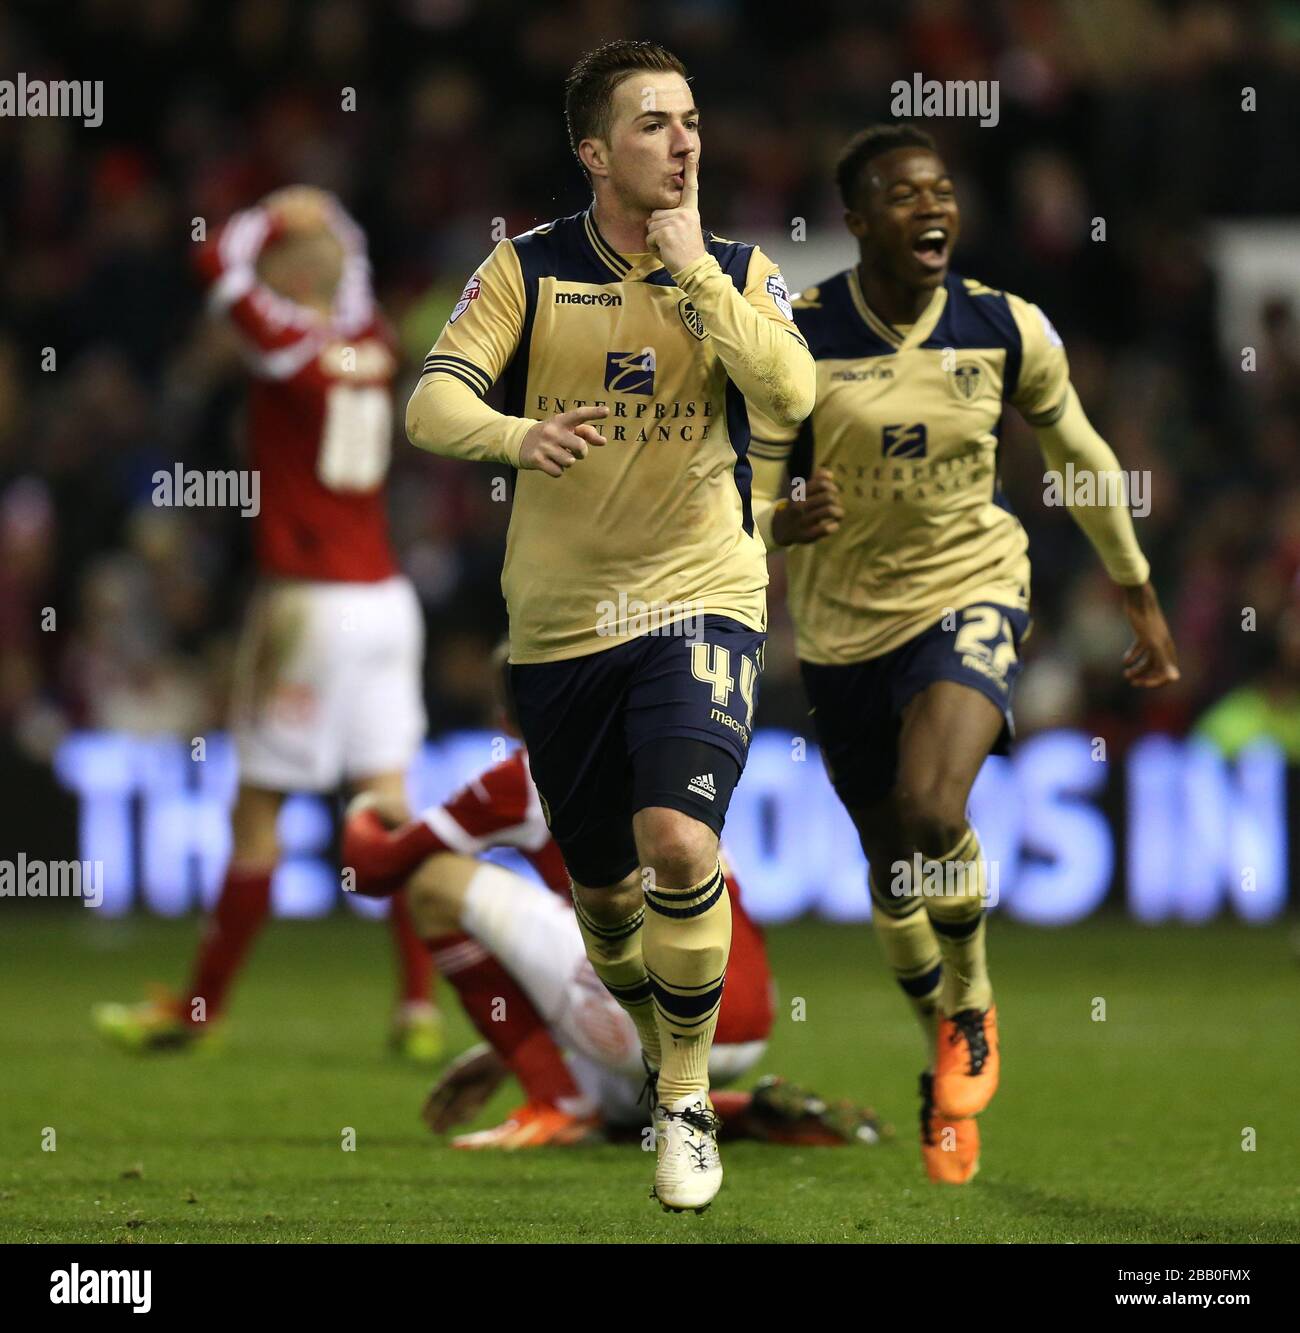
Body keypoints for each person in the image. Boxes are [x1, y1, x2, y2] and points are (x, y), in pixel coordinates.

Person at [405, 41, 815, 1211]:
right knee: (605, 910)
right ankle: (656, 1059)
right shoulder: (526, 268)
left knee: (681, 846)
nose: (683, 142)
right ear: (593, 151)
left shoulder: (739, 268)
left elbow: (791, 393)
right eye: (652, 124)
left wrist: (697, 281)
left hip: (702, 596)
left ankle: (682, 1100)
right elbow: (431, 398)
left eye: (691, 120)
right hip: (560, 628)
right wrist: (515, 435)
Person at [750, 125, 1180, 1184]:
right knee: (893, 870)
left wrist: (1136, 591)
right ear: (855, 222)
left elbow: (1076, 446)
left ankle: (973, 997)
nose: (930, 207)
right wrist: (778, 518)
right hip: (843, 628)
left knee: (936, 808)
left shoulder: (1003, 324)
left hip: (970, 588)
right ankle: (938, 1052)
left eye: (940, 190)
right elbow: (740, 486)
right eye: (902, 194)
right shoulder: (795, 340)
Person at [94, 187, 442, 1061]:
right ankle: (418, 1006)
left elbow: (214, 264)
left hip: (308, 602)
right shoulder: (376, 341)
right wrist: (327, 213)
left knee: (257, 817)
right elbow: (346, 266)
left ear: (287, 270)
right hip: (387, 602)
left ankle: (200, 1012)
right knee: (391, 813)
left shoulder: (288, 345)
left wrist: (269, 215)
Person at [340, 655, 883, 1158]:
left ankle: (556, 1102)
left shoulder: (530, 776)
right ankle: (744, 1111)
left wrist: (370, 804)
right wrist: (509, 1049)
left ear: (511, 715)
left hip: (647, 1023)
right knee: (619, 1103)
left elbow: (374, 870)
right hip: (743, 1020)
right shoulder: (662, 761)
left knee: (435, 883)